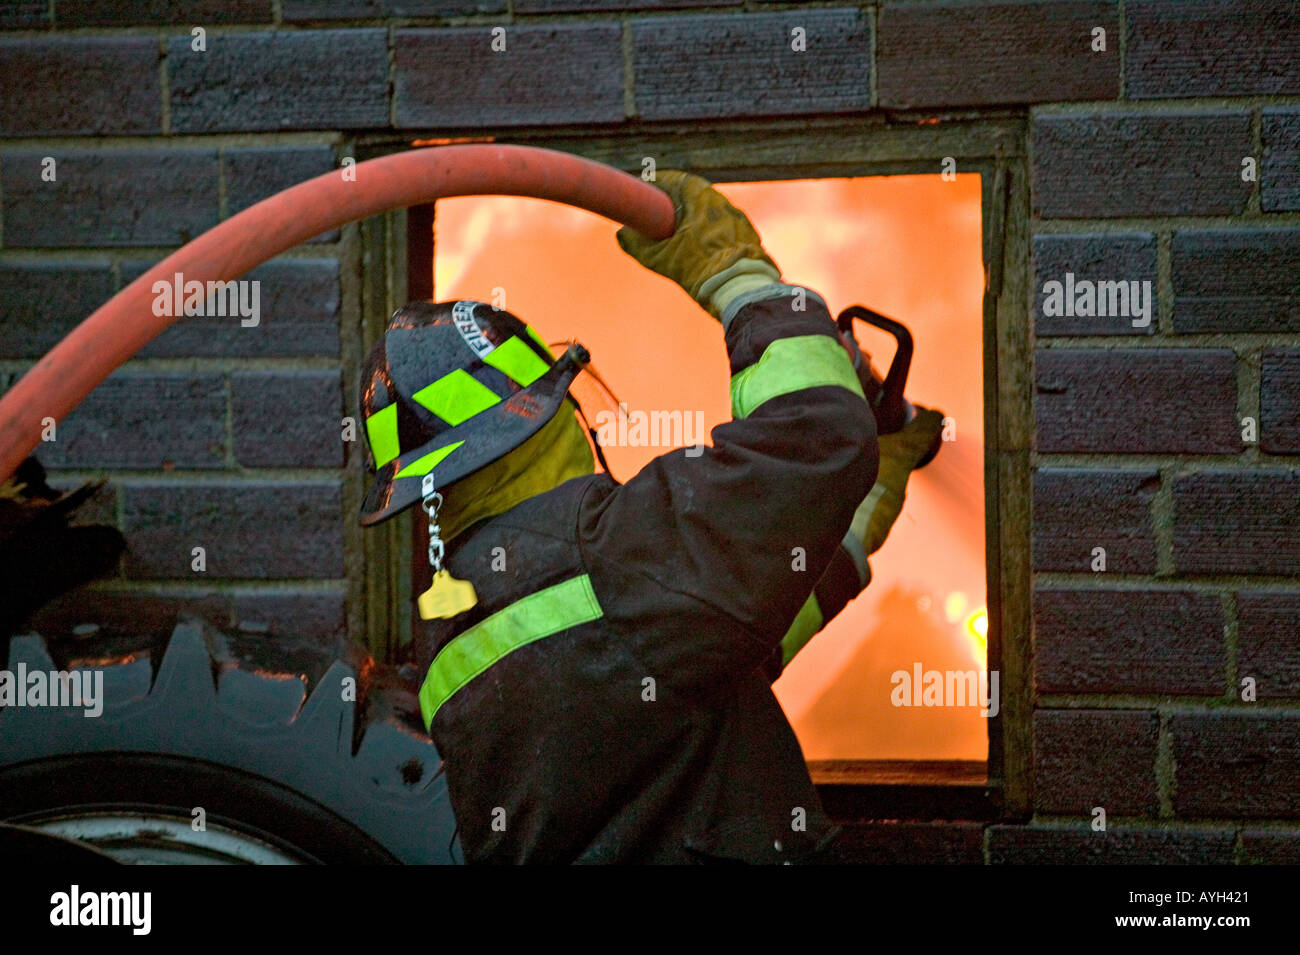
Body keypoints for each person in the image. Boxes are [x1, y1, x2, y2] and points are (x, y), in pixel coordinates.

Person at [357, 170, 944, 863]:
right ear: (536, 417)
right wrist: (737, 275)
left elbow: (744, 619)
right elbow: (817, 435)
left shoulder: (459, 625)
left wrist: (880, 472)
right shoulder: (605, 551)